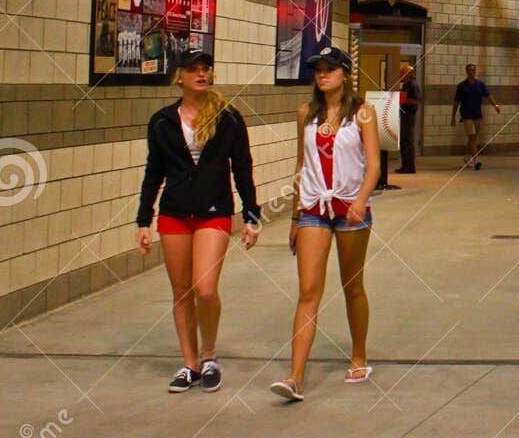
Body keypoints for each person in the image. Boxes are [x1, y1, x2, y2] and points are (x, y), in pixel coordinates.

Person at [136, 50, 261, 394]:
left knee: (204, 289)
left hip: (213, 210)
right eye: (193, 69)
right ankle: (189, 364)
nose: (201, 74)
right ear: (179, 77)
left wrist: (252, 215)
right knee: (181, 291)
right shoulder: (162, 121)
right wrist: (143, 219)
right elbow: (153, 172)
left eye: (206, 69)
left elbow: (243, 168)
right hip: (174, 212)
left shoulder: (228, 117)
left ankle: (209, 355)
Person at [271, 46, 381, 403]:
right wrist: (293, 215)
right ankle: (294, 377)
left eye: (330, 69)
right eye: (317, 69)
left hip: (350, 208)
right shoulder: (305, 113)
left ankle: (359, 356)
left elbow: (374, 165)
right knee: (308, 290)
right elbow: (301, 165)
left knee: (352, 286)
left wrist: (361, 200)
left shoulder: (363, 114)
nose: (322, 75)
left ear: (345, 74)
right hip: (313, 210)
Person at [450, 63, 500, 169]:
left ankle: (468, 157)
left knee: (472, 138)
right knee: (472, 137)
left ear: (475, 71)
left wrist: (495, 105)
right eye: (469, 70)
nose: (471, 72)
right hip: (466, 115)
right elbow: (456, 102)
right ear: (466, 71)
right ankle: (476, 160)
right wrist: (453, 117)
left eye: (473, 70)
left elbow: (488, 96)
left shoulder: (480, 85)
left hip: (477, 115)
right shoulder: (461, 86)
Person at [395, 62, 421, 174]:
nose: (400, 74)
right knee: (405, 141)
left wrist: (401, 99)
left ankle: (409, 167)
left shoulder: (412, 85)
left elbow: (417, 100)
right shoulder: (406, 85)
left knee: (407, 141)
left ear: (408, 74)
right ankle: (405, 166)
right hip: (405, 115)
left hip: (409, 116)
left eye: (402, 72)